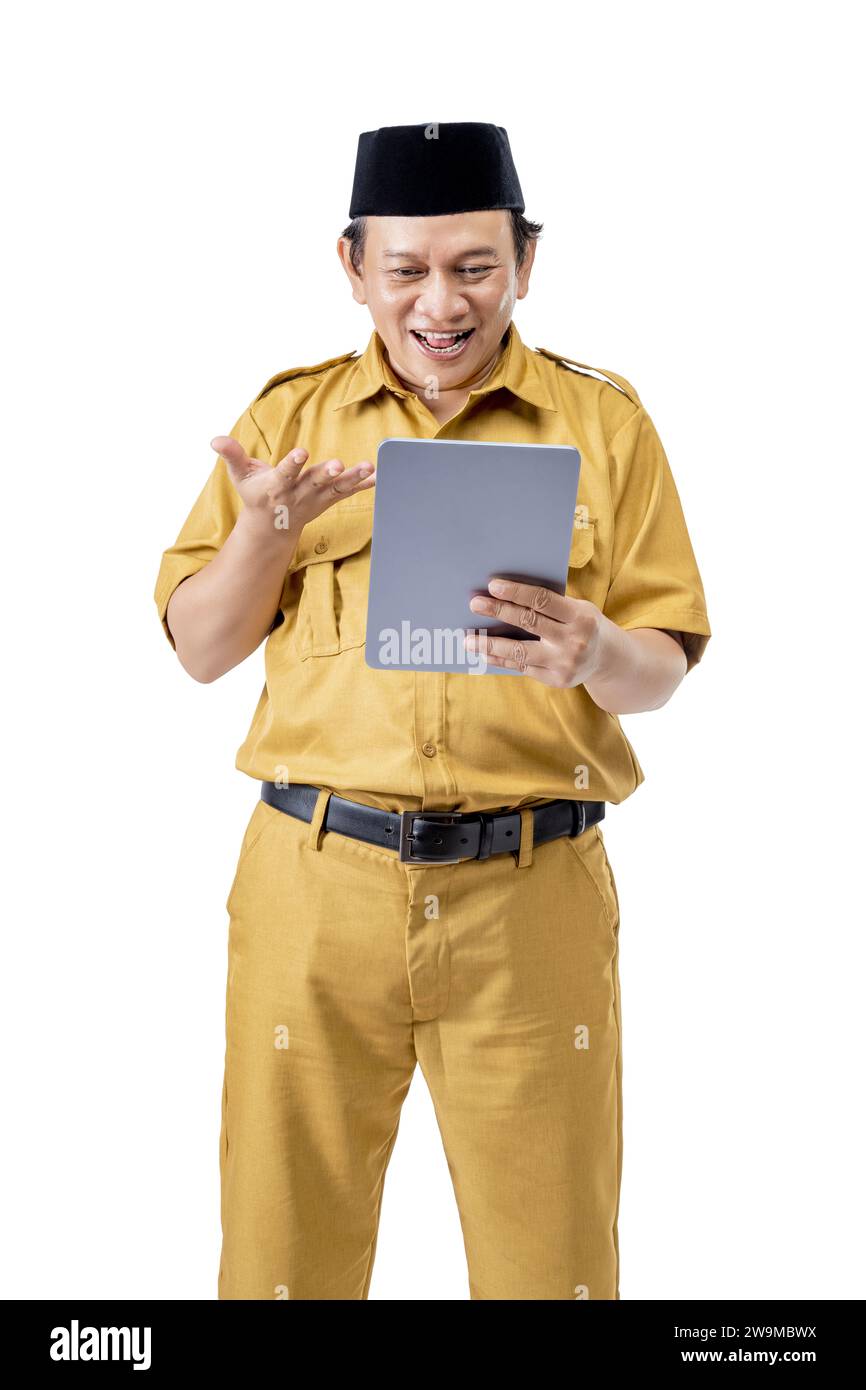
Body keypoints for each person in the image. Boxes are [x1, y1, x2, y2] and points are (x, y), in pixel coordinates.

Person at [154, 122, 712, 1301]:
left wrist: (596, 646)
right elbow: (201, 649)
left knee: (550, 1264)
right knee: (279, 1263)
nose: (438, 303)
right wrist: (265, 529)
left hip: (532, 894)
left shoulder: (605, 424)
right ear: (352, 267)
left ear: (524, 260)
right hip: (314, 887)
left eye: (473, 266)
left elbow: (659, 667)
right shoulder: (286, 424)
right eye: (404, 270)